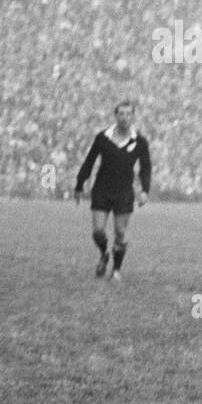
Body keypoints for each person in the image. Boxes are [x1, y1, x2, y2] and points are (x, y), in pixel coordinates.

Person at [74, 101, 152, 281]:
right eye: (121, 114)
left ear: (133, 117)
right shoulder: (103, 137)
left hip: (124, 192)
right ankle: (103, 254)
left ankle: (116, 270)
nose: (124, 118)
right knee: (98, 231)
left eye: (128, 114)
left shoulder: (140, 141)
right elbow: (90, 160)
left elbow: (145, 167)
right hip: (102, 189)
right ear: (115, 116)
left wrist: (144, 190)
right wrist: (79, 184)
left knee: (120, 232)